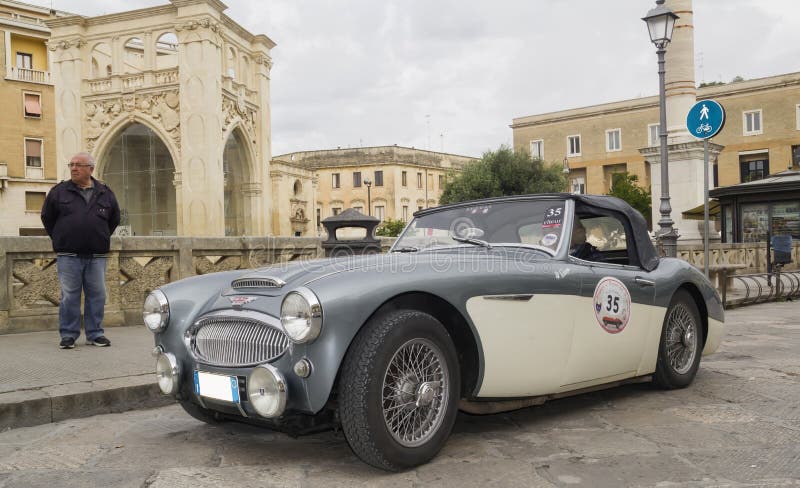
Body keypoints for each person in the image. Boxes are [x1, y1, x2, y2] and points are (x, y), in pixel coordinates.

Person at [41, 152, 120, 349]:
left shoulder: (105, 192)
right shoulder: (59, 192)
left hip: (96, 255)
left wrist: (97, 236)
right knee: (70, 296)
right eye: (72, 164)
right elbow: (47, 218)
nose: (74, 168)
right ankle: (68, 335)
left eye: (78, 165)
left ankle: (95, 334)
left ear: (90, 169)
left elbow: (114, 219)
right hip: (69, 255)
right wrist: (62, 237)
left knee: (97, 295)